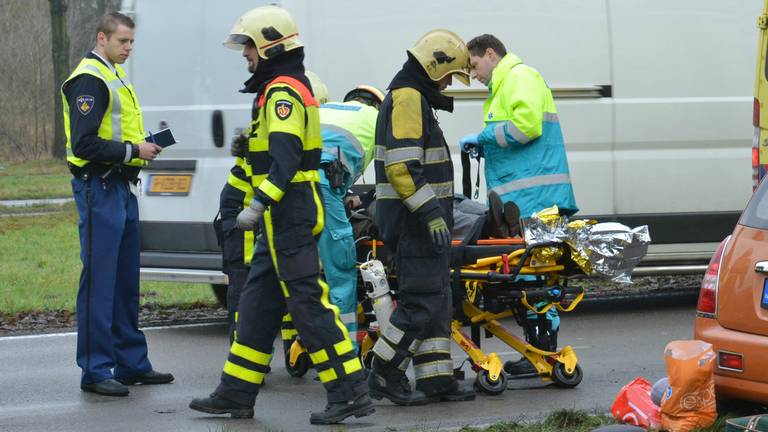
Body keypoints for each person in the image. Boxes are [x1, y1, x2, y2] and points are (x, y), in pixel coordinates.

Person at [188, 6, 373, 425]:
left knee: (308, 303)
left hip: (287, 212)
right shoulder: (278, 87)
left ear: (270, 46)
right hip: (281, 216)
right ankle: (235, 393)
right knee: (255, 304)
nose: (245, 55)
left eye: (249, 46)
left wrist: (258, 203)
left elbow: (286, 160)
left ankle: (350, 392)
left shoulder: (282, 92)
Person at [61, 12, 173, 397]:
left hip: (120, 188)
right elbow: (84, 144)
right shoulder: (89, 79)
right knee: (100, 283)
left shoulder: (114, 74)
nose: (129, 48)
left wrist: (140, 146)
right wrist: (133, 150)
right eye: (123, 41)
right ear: (102, 37)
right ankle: (95, 370)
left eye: (132, 42)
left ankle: (130, 364)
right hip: (99, 189)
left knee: (126, 283)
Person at [367, 29, 476, 406]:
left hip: (417, 222)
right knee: (420, 304)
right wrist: (431, 213)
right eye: (448, 76)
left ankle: (435, 378)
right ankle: (384, 370)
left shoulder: (410, 96)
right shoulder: (409, 98)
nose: (448, 84)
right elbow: (402, 167)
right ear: (434, 66)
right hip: (415, 223)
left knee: (436, 300)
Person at [459, 34, 579, 375]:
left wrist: (482, 138)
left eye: (474, 64)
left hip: (538, 203)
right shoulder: (505, 84)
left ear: (491, 54)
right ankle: (538, 353)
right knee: (527, 281)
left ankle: (544, 353)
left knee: (536, 280)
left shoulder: (519, 77)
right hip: (526, 202)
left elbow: (527, 126)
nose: (473, 74)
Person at [217, 72, 327, 346]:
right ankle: (240, 353)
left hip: (259, 208)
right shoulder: (282, 109)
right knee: (245, 288)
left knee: (277, 283)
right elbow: (281, 166)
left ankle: (291, 347)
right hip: (242, 207)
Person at [281, 83, 384, 357]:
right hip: (325, 189)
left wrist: (345, 193)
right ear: (378, 105)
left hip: (288, 187)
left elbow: (319, 153)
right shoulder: (376, 119)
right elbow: (389, 171)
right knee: (341, 273)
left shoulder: (324, 110)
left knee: (300, 271)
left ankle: (306, 340)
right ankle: (344, 352)